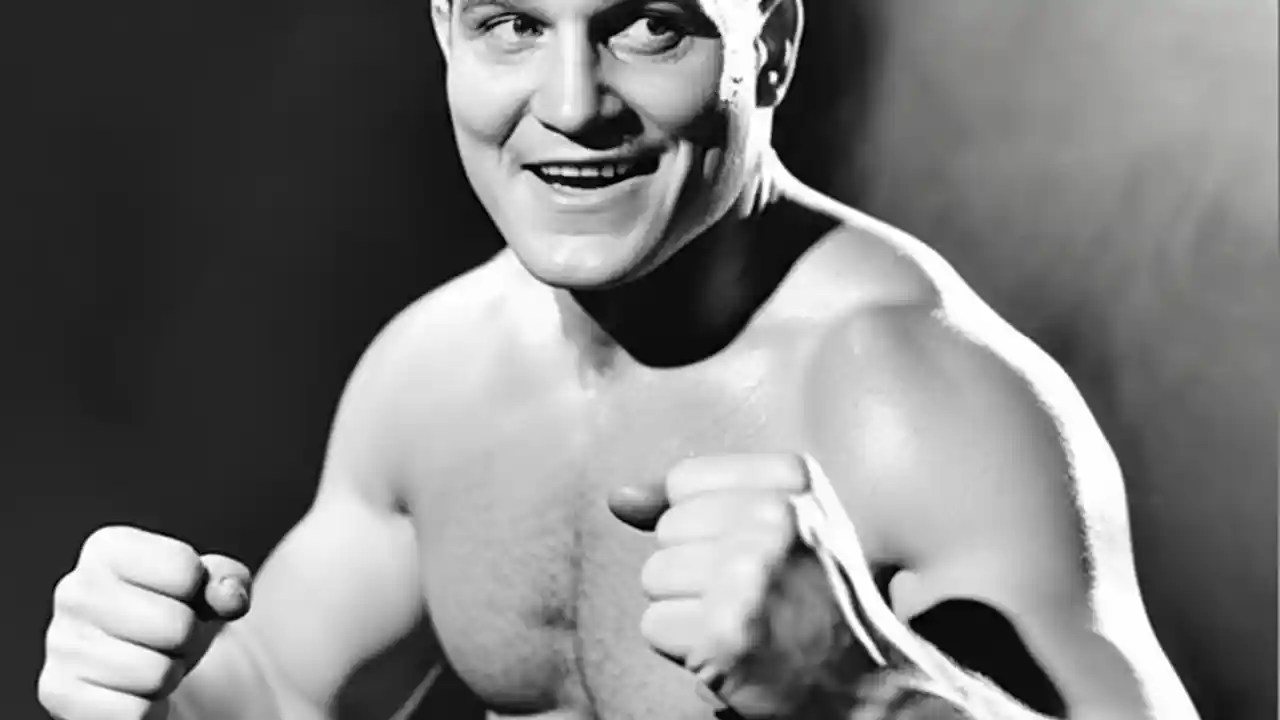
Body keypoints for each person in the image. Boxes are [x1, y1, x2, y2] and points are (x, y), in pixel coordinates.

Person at [37, 0, 1204, 716]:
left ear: (771, 47)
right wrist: (149, 679)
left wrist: (861, 695)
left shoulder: (911, 392)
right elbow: (286, 698)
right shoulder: (434, 372)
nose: (571, 103)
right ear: (445, 32)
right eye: (512, 25)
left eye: (648, 24)